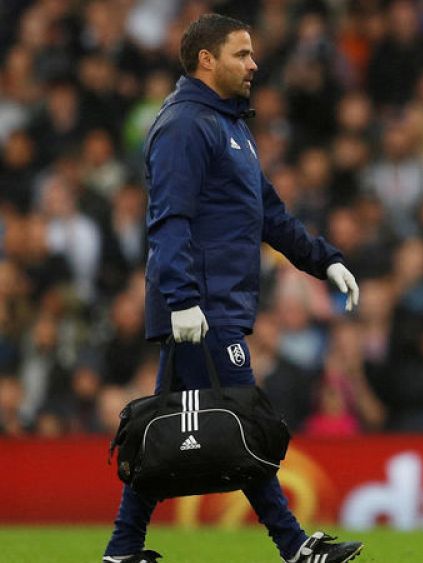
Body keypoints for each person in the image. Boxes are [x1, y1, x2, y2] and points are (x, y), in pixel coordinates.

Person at [102, 14, 363, 563]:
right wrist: (182, 299)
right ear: (206, 59)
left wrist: (323, 261)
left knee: (170, 422)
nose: (254, 64)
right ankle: (295, 546)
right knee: (244, 419)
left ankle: (123, 549)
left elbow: (269, 214)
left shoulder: (230, 127)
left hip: (214, 302)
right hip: (201, 305)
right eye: (242, 54)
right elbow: (168, 219)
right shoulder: (183, 127)